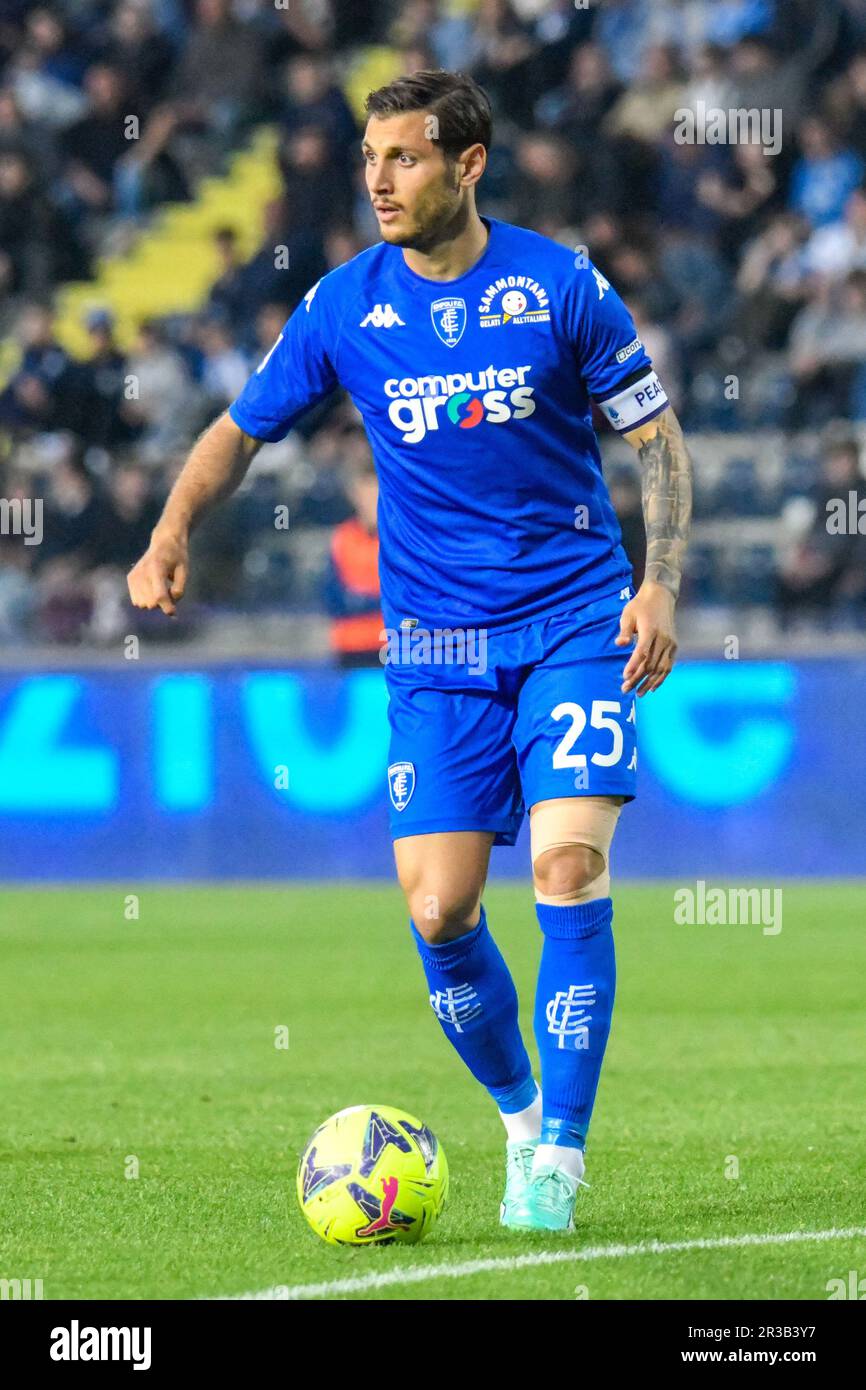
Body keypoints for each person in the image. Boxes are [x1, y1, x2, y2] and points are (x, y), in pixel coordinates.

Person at [128, 70, 693, 1235]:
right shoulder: (344, 305)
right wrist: (171, 527)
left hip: (574, 624)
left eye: (404, 158)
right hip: (433, 649)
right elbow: (240, 430)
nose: (377, 179)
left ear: (467, 163)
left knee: (566, 870)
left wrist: (662, 583)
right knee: (438, 910)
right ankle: (521, 1120)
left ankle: (563, 1163)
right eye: (369, 157)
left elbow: (656, 439)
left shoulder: (556, 284)